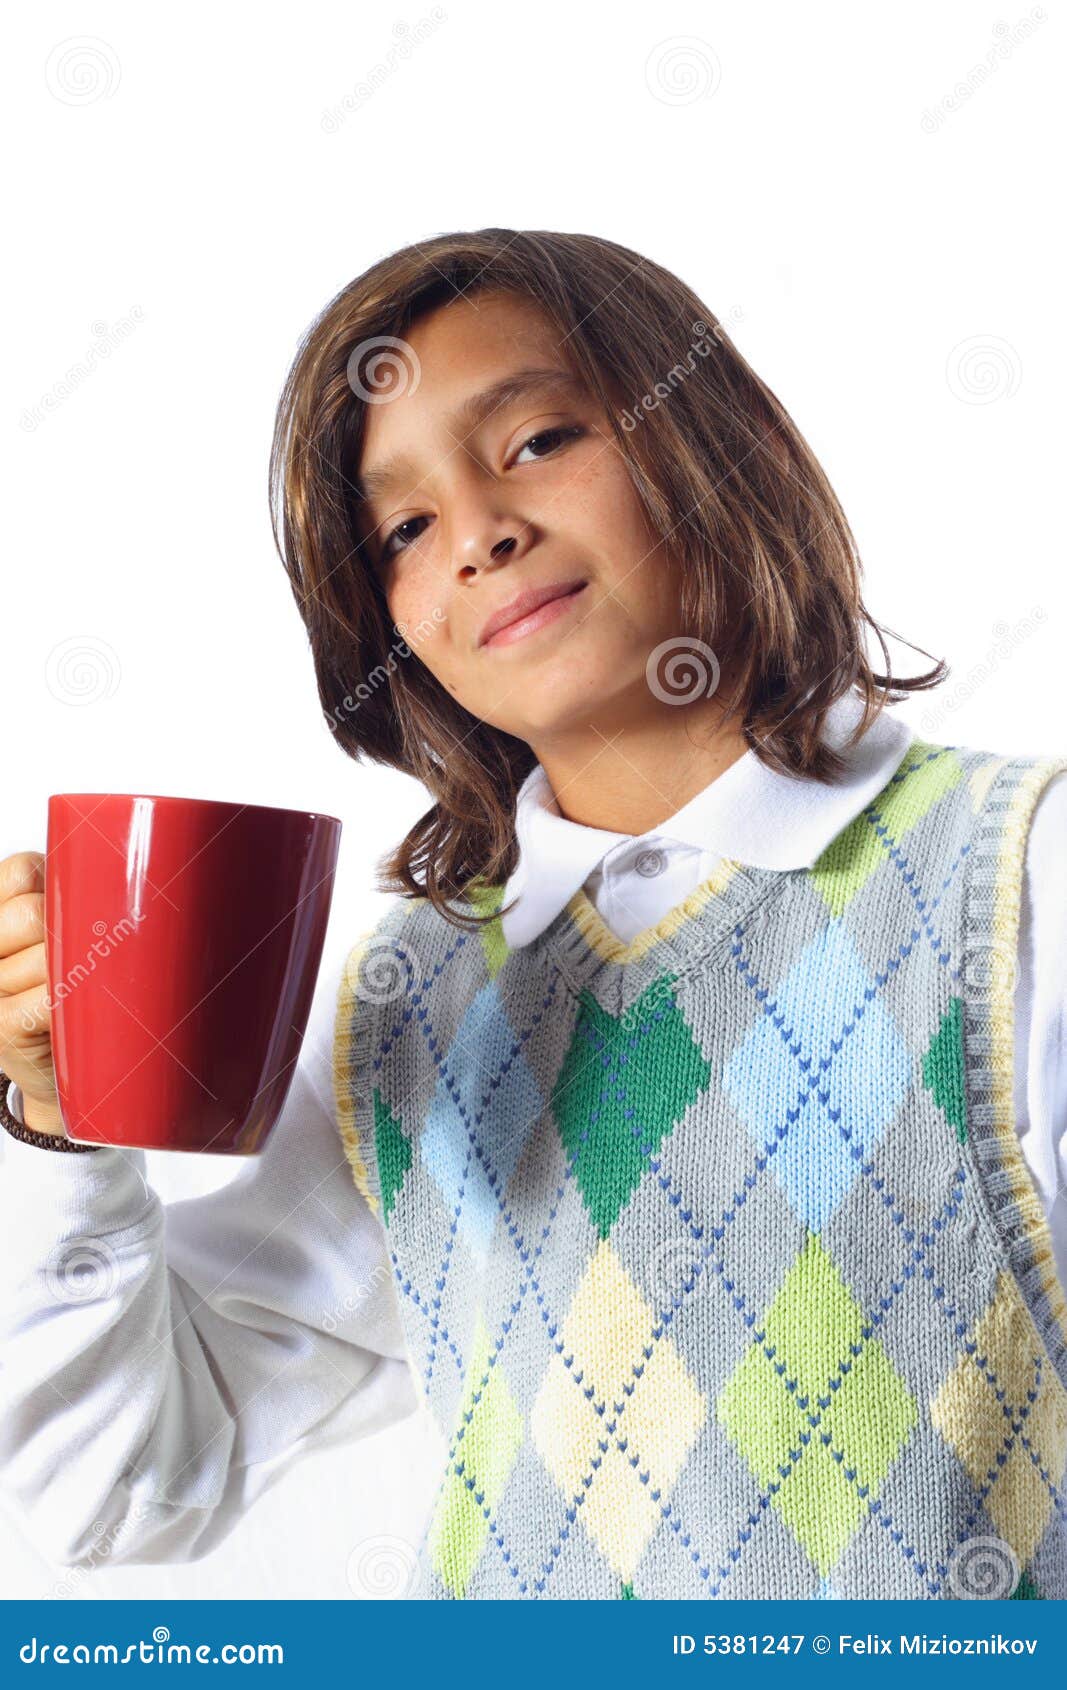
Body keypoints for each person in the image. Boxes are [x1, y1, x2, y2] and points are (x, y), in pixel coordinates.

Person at [2, 229, 1065, 1601]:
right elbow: (124, 1493)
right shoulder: (416, 1000)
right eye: (404, 528)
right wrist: (59, 1129)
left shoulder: (1015, 876)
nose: (481, 535)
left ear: (715, 441)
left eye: (537, 439)